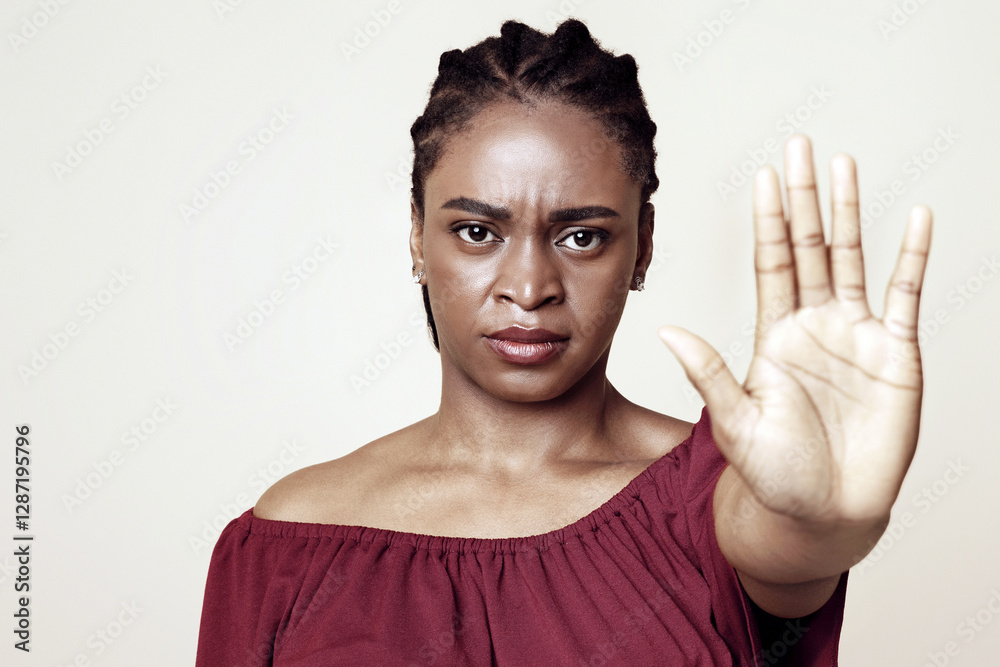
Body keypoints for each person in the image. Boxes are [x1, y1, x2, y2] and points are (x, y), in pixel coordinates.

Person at [195, 18, 932, 666]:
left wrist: (816, 522)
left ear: (641, 249)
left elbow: (782, 548)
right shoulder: (285, 541)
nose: (529, 284)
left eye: (582, 236)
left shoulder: (717, 497)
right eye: (477, 231)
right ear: (417, 236)